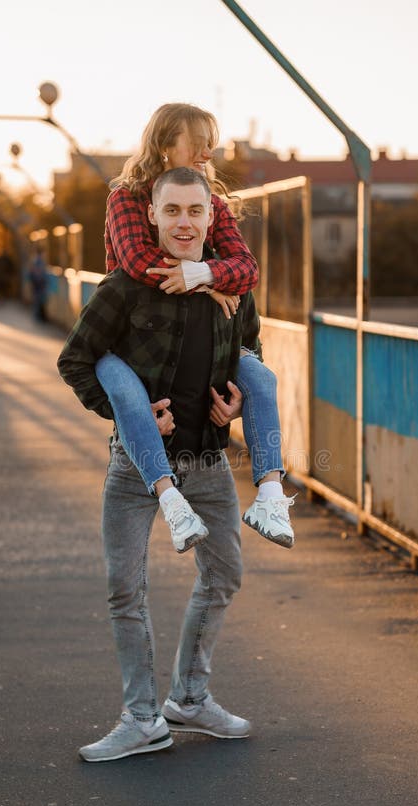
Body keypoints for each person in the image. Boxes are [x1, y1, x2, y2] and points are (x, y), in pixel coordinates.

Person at [58, 167, 257, 761]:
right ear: (151, 216)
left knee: (223, 576)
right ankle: (142, 718)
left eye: (195, 211)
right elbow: (75, 361)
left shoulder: (230, 289)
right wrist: (129, 414)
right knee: (126, 591)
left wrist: (237, 402)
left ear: (210, 217)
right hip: (135, 468)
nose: (184, 223)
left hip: (207, 462)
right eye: (172, 211)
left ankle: (190, 699)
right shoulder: (123, 288)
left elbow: (251, 353)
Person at [98, 102, 295, 550]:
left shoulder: (214, 203)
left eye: (212, 146)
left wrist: (206, 275)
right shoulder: (126, 198)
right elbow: (139, 265)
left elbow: (246, 270)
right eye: (200, 145)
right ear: (167, 145)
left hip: (205, 343)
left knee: (261, 378)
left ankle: (269, 494)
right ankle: (168, 498)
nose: (209, 155)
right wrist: (210, 282)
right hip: (142, 346)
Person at [28, 247, 48, 321]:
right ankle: (37, 317)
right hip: (39, 285)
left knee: (38, 301)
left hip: (38, 285)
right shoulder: (38, 262)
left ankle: (38, 316)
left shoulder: (36, 261)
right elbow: (38, 274)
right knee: (38, 301)